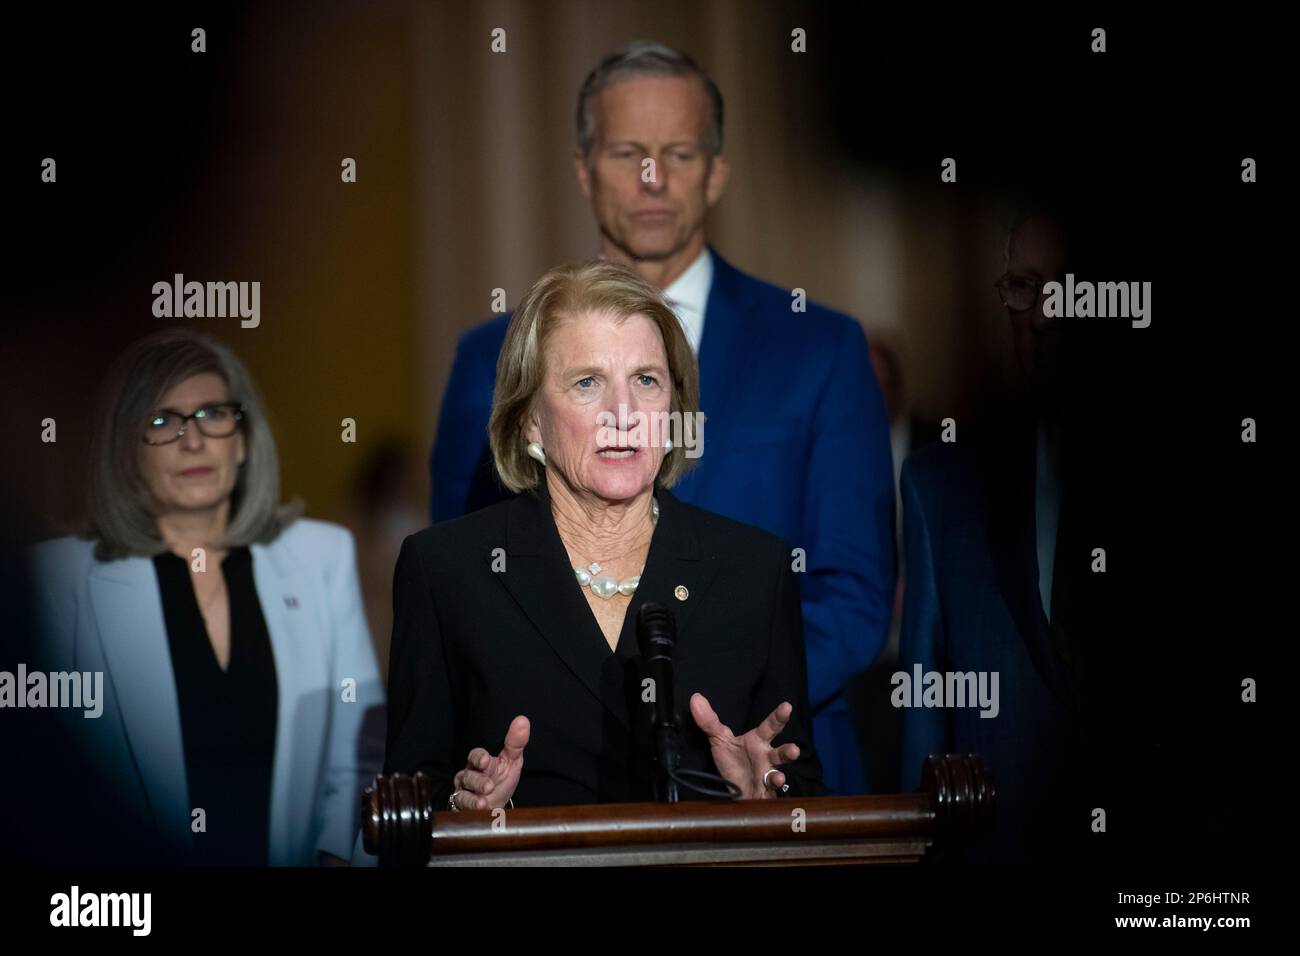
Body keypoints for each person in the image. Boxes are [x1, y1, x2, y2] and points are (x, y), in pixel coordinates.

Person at [430, 41, 894, 795]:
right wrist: (602, 713)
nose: (653, 179)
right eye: (628, 153)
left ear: (717, 172)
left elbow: (856, 592)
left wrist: (690, 701)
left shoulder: (822, 347)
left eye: (678, 152)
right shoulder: (489, 357)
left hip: (769, 782)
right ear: (582, 169)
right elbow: (464, 594)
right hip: (551, 796)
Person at [385, 260, 824, 812]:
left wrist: (761, 802)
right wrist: (462, 812)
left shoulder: (755, 570)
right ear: (530, 420)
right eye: (587, 382)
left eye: (646, 380)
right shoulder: (447, 571)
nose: (624, 413)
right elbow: (402, 807)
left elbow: (803, 792)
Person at [28, 328, 383, 865]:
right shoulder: (60, 579)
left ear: (241, 440)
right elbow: (46, 780)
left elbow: (360, 753)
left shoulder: (320, 556)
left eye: (212, 415)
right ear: (127, 450)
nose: (192, 441)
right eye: (161, 421)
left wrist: (334, 856)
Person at [897, 211, 1109, 863]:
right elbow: (924, 745)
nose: (1043, 313)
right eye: (1022, 286)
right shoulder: (942, 488)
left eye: (1068, 286)